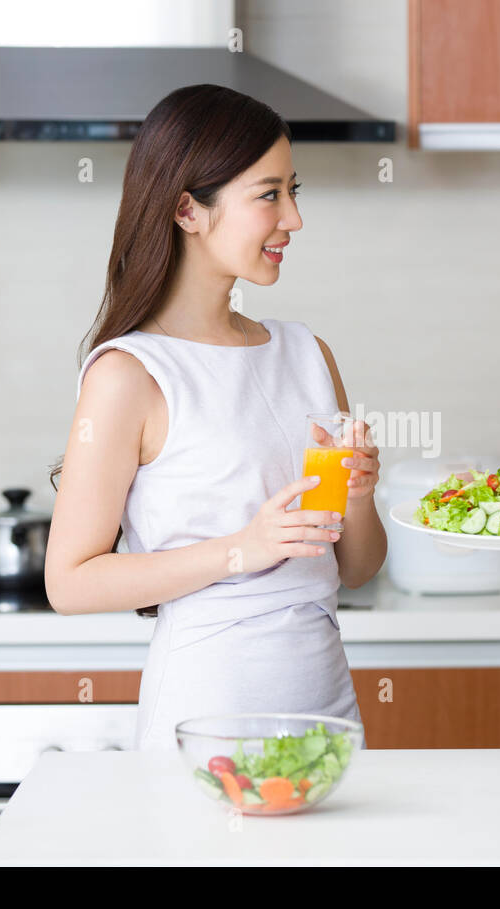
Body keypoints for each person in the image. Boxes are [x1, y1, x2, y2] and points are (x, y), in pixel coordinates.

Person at [45, 84, 386, 752]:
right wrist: (242, 550)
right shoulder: (130, 375)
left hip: (326, 709)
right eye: (269, 195)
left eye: (294, 190)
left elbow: (355, 568)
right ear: (187, 210)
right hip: (206, 714)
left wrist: (360, 495)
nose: (293, 218)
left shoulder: (308, 354)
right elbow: (70, 582)